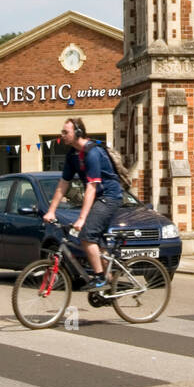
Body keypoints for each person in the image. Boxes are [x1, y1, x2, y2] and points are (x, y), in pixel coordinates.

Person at [42, 118, 123, 291]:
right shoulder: (72, 155)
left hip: (110, 196)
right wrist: (51, 211)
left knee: (87, 236)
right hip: (97, 198)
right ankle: (111, 286)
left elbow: (91, 187)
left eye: (66, 132)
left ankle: (100, 278)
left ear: (78, 133)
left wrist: (81, 219)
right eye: (62, 132)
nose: (62, 135)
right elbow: (63, 183)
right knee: (97, 245)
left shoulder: (92, 153)